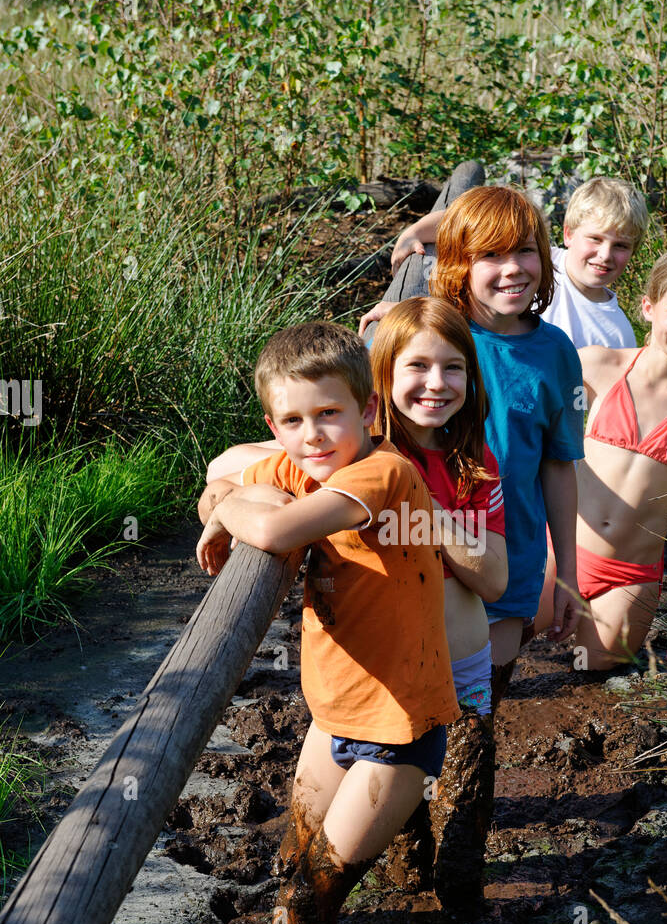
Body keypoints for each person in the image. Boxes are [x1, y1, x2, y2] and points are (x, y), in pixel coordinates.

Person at [218, 186, 585, 707]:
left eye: (526, 251)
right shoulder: (431, 335)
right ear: (461, 262)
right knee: (407, 709)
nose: (513, 269)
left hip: (502, 557)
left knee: (472, 719)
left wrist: (567, 574)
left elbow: (558, 467)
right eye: (492, 255)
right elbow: (342, 422)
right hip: (405, 557)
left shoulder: (555, 353)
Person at [195, 322, 459, 924]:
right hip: (332, 716)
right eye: (293, 419)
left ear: (368, 410)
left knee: (313, 895)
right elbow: (218, 484)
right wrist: (221, 502)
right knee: (295, 856)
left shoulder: (383, 474)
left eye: (328, 414)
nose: (311, 434)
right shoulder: (295, 463)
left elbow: (275, 524)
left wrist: (229, 514)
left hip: (400, 730)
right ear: (273, 424)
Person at [369, 295, 508, 912]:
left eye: (453, 368)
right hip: (393, 676)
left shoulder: (473, 463)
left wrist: (423, 509)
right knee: (403, 821)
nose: (436, 383)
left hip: (467, 665)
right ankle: (408, 881)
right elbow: (247, 461)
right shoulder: (359, 456)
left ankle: (464, 900)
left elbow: (494, 579)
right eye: (417, 367)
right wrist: (220, 502)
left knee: (465, 798)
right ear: (383, 375)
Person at [539, 249, 667, 670]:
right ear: (648, 308)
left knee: (592, 672)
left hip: (630, 575)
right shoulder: (596, 366)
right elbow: (532, 431)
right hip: (562, 553)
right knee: (496, 647)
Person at [380, 175, 648, 353]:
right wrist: (412, 233)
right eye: (595, 239)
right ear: (568, 233)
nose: (604, 255)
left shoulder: (619, 334)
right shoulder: (537, 260)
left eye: (621, 246)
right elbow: (462, 222)